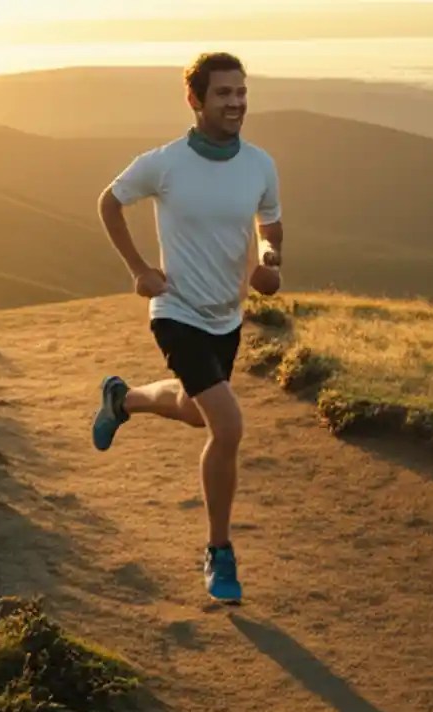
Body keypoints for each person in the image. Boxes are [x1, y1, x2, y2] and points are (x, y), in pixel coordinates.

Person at [90, 51, 284, 604]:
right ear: (195, 100)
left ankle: (122, 401)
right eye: (224, 93)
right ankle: (219, 552)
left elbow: (268, 222)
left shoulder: (260, 164)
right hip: (176, 312)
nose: (236, 102)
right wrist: (139, 270)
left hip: (228, 317)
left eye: (242, 92)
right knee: (227, 426)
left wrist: (269, 260)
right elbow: (109, 202)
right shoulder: (166, 163)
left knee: (199, 414)